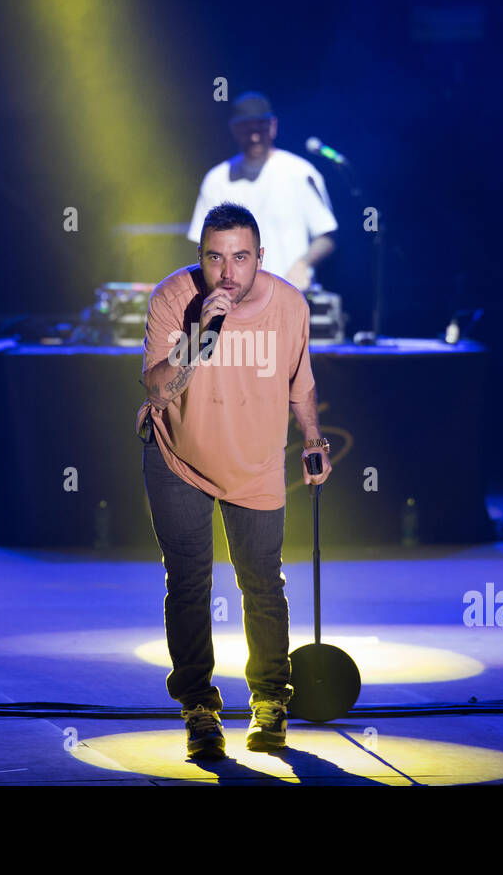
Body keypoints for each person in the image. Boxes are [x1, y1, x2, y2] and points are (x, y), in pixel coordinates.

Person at [136, 201, 332, 760]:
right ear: (200, 257)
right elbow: (157, 389)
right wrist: (200, 330)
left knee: (263, 583)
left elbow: (301, 381)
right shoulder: (175, 297)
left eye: (240, 258)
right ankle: (199, 708)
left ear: (259, 258)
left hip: (257, 462)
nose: (227, 272)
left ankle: (270, 702)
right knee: (189, 583)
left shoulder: (290, 305)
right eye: (215, 258)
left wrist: (313, 440)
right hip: (178, 459)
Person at [186, 92, 338, 292]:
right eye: (247, 130)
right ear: (234, 130)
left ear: (273, 126)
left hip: (289, 295)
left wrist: (303, 263)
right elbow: (201, 242)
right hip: (233, 303)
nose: (255, 136)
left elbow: (326, 235)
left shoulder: (300, 173)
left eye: (261, 128)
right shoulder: (217, 180)